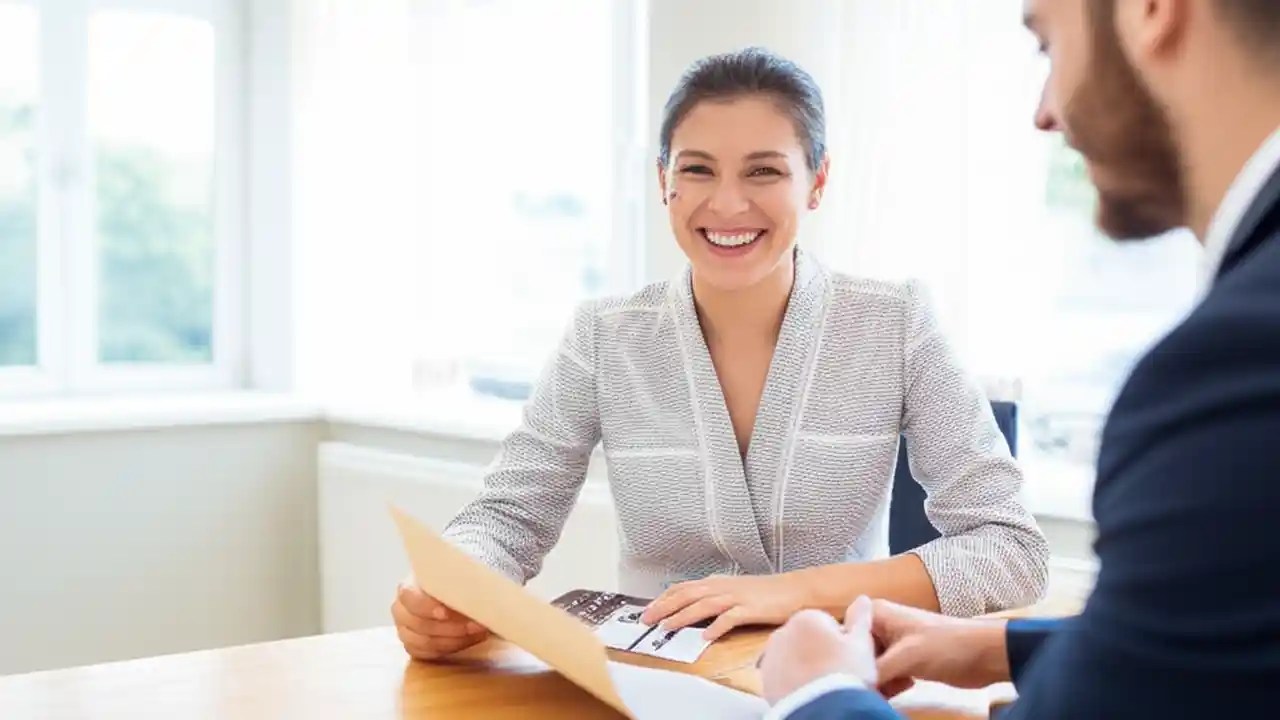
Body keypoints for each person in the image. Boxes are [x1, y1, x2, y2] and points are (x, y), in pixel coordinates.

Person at [392, 47, 1049, 661]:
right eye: (697, 170)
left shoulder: (896, 322)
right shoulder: (604, 334)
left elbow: (1012, 551)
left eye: (764, 171)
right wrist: (452, 589)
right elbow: (507, 516)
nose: (727, 203)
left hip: (828, 679)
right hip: (653, 682)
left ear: (817, 182)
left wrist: (795, 592)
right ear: (663, 182)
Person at [759, 0, 1280, 717]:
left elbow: (1010, 548)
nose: (1045, 111)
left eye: (1047, 47)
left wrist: (819, 693)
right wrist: (1003, 647)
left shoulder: (1230, 370)